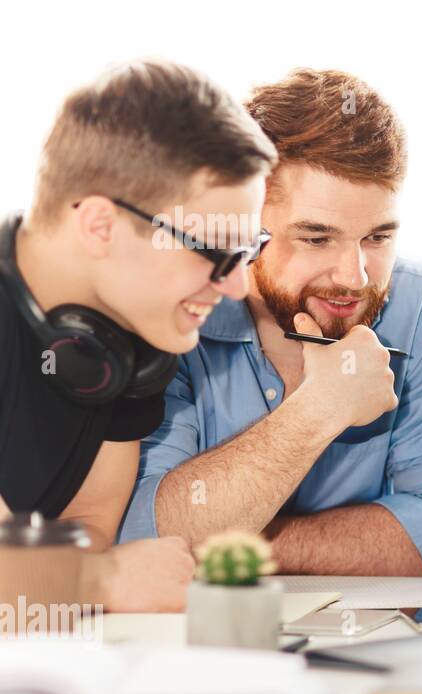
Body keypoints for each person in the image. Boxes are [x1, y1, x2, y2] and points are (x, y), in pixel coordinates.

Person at [120, 69, 422, 578]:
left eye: (378, 237)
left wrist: (234, 544)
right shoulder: (177, 312)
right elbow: (141, 535)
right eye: (317, 239)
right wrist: (319, 411)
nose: (354, 277)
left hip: (382, 647)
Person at [0, 60, 276, 611]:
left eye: (247, 252)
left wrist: (57, 574)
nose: (240, 287)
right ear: (100, 225)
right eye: (214, 252)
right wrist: (98, 582)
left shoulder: (131, 337)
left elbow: (89, 526)